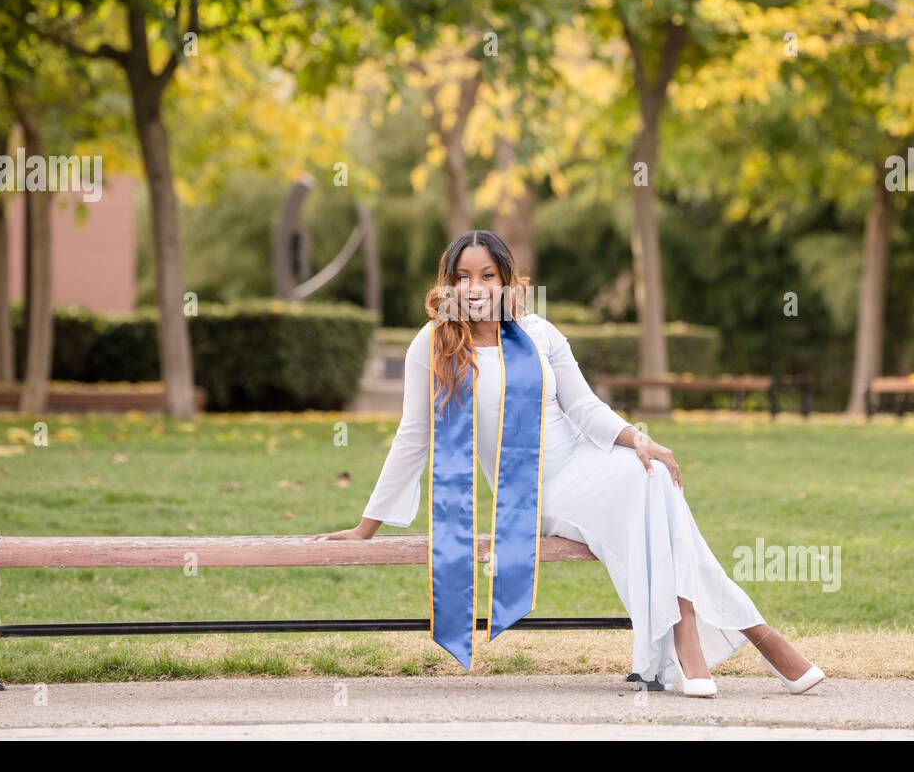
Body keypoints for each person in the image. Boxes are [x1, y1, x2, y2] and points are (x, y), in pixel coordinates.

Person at [316, 229, 824, 697]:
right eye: (462, 277)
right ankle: (750, 635)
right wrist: (367, 526)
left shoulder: (537, 332)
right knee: (649, 491)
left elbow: (582, 407)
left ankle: (686, 638)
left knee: (648, 476)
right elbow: (413, 436)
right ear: (447, 284)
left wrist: (637, 439)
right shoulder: (434, 346)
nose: (475, 288)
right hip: (532, 492)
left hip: (585, 461)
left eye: (487, 276)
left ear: (507, 280)